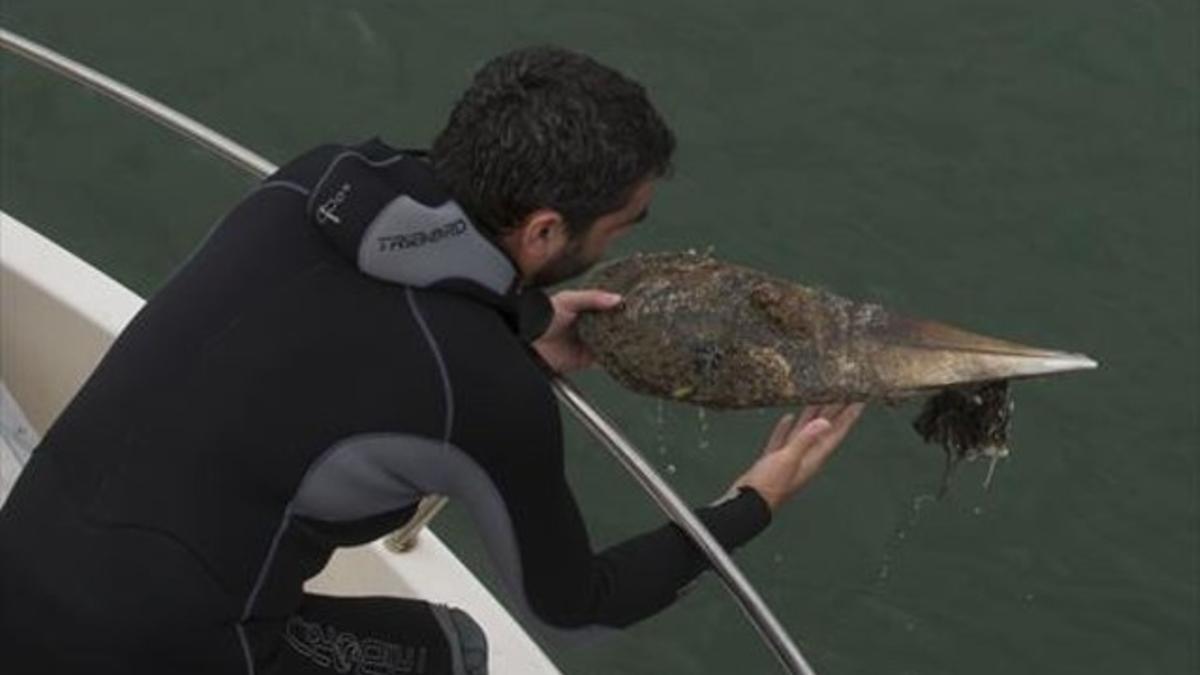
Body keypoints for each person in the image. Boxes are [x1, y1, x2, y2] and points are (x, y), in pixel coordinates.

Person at [0, 46, 864, 674]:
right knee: (454, 653)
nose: (625, 237)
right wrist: (756, 501)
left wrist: (519, 323)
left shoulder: (318, 181)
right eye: (622, 222)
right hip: (165, 654)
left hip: (17, 581)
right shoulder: (481, 392)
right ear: (542, 232)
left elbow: (352, 334)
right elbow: (580, 609)